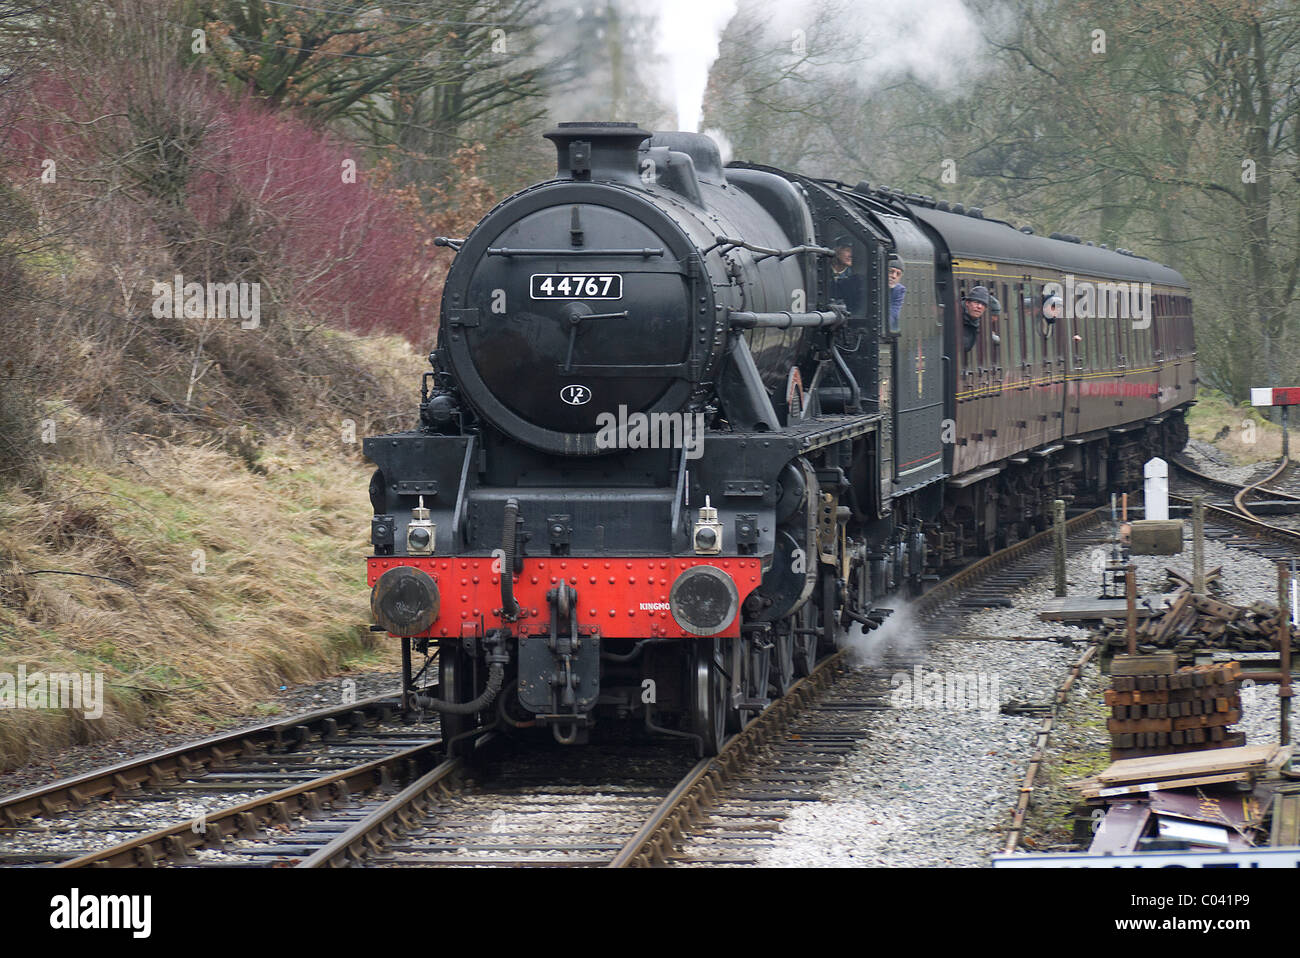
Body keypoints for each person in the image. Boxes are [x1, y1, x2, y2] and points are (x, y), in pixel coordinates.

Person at [829, 236, 863, 316]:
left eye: (853, 252)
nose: (851, 255)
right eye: (847, 251)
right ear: (836, 251)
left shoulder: (855, 280)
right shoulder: (821, 272)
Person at [961, 284, 989, 351]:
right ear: (967, 303)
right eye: (976, 302)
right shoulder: (955, 316)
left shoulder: (974, 321)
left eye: (983, 304)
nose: (979, 306)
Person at [887, 253, 906, 332]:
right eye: (891, 271)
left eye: (898, 274)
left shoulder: (899, 290)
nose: (894, 276)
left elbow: (893, 314)